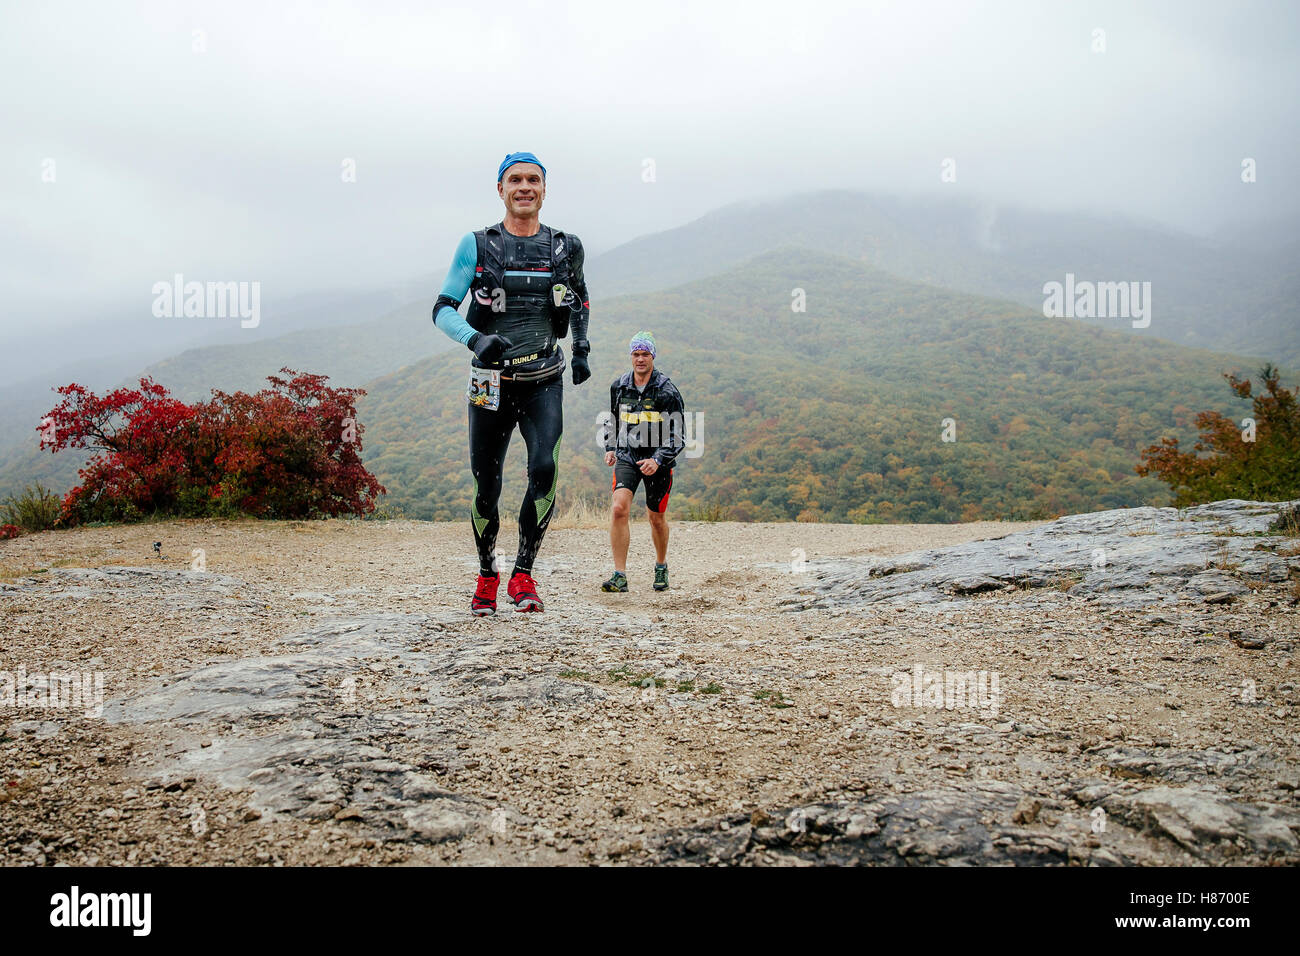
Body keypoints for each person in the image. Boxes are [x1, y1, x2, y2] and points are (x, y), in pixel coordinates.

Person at [431, 151, 592, 615]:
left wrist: (581, 351)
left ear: (544, 189)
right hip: (489, 382)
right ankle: (487, 576)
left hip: (545, 378)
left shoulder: (566, 247)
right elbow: (442, 308)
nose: (525, 187)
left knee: (544, 470)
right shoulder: (478, 245)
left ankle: (523, 575)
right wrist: (473, 338)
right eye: (515, 180)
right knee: (488, 487)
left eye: (533, 180)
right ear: (500, 189)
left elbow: (579, 300)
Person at [602, 331, 684, 593]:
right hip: (628, 455)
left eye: (645, 354)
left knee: (656, 518)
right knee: (618, 509)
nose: (640, 359)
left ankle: (661, 566)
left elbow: (678, 435)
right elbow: (613, 418)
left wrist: (658, 459)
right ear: (631, 356)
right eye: (636, 354)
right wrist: (611, 447)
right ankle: (619, 575)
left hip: (657, 459)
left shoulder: (667, 391)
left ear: (653, 356)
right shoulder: (620, 386)